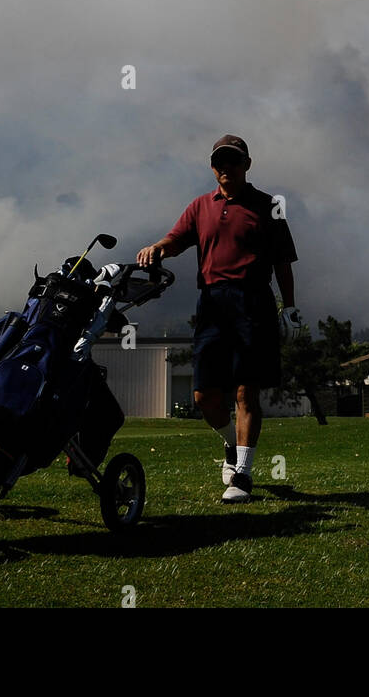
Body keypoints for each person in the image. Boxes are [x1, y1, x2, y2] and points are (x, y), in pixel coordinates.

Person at [137, 135, 298, 503]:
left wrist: (288, 307)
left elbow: (282, 263)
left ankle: (242, 476)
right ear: (212, 166)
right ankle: (230, 445)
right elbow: (175, 240)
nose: (225, 167)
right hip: (210, 304)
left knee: (245, 391)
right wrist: (157, 248)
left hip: (253, 302)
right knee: (204, 394)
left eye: (233, 160)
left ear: (247, 164)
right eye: (219, 161)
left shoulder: (267, 206)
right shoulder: (200, 206)